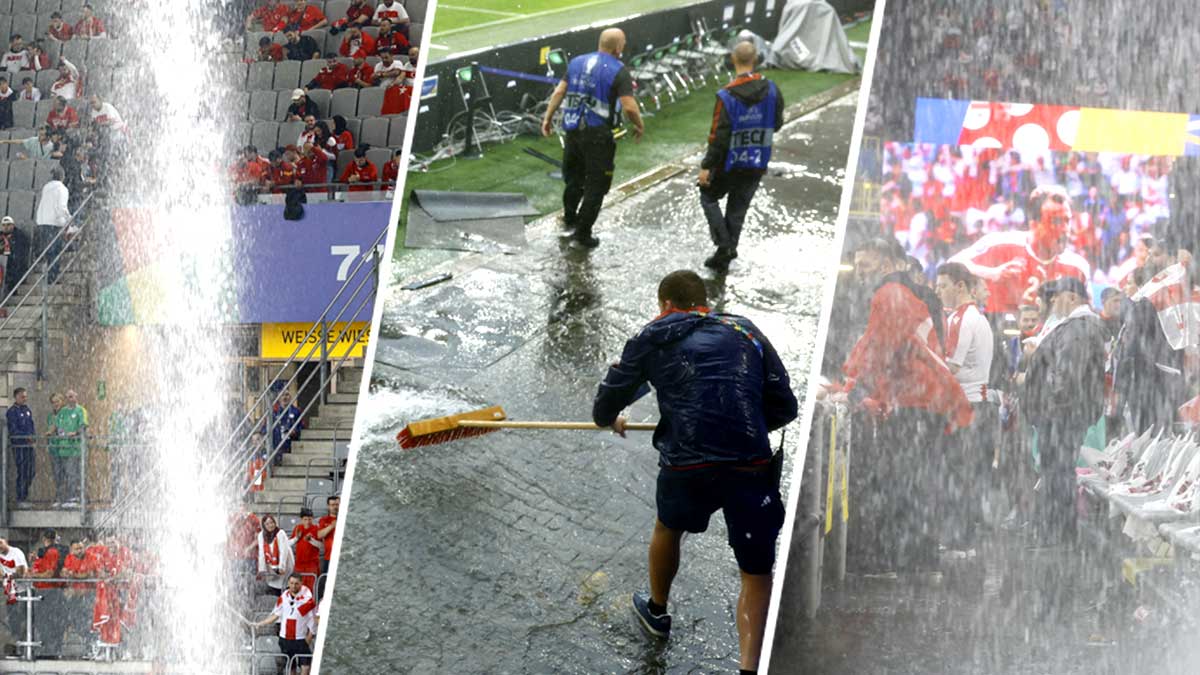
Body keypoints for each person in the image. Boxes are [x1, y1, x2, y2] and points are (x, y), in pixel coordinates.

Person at [592, 270, 797, 673]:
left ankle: (657, 611)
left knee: (668, 527)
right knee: (756, 573)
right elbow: (785, 405)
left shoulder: (651, 336)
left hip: (688, 463)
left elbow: (602, 410)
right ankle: (749, 666)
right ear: (704, 301)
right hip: (751, 464)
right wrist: (743, 426)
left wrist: (615, 415)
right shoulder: (746, 330)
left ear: (666, 305)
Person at [836, 237, 972, 572]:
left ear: (885, 263)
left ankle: (903, 556)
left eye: (865, 266)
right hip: (929, 399)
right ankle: (917, 555)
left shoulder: (889, 294)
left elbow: (877, 348)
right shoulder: (909, 293)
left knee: (900, 478)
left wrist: (852, 389)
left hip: (916, 400)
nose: (860, 273)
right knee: (918, 478)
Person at [1021, 276, 1106, 546]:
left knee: (1057, 473)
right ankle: (1056, 531)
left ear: (1072, 297)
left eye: (1056, 297)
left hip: (1061, 416)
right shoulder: (1075, 326)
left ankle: (1057, 533)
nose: (1053, 302)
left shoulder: (1078, 327)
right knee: (1057, 472)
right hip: (1063, 415)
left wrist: (1051, 407)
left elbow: (1067, 375)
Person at [541, 28, 644, 249]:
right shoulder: (619, 70)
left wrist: (548, 118)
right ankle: (582, 235)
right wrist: (638, 124)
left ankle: (569, 218)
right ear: (617, 48)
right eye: (623, 44)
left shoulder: (577, 62)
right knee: (596, 186)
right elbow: (629, 106)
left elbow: (559, 92)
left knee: (574, 179)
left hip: (573, 132)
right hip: (598, 137)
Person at [698, 41, 783, 271]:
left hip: (729, 163)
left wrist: (707, 166)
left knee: (707, 196)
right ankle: (724, 255)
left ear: (733, 59)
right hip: (756, 161)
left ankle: (724, 246)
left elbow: (719, 136)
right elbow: (776, 124)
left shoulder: (726, 95)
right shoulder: (772, 89)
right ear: (755, 59)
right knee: (738, 209)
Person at [933, 262, 996, 553]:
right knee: (970, 474)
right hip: (977, 405)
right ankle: (966, 538)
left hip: (966, 407)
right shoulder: (977, 317)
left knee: (959, 474)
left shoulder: (962, 319)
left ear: (960, 287)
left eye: (943, 285)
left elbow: (951, 367)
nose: (937, 290)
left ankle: (959, 540)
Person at [950, 186, 1091, 314]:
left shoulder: (1077, 268)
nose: (1065, 230)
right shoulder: (1001, 245)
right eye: (1056, 222)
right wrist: (992, 273)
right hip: (998, 333)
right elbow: (951, 265)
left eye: (1067, 221)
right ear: (1034, 224)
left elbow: (1088, 320)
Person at [254, 573, 315, 675]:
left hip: (300, 639)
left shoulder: (307, 600)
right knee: (291, 667)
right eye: (291, 583)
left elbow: (312, 619)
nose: (293, 586)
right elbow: (276, 615)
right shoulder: (284, 597)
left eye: (296, 583)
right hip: (285, 639)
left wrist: (309, 636)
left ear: (301, 583)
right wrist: (261, 623)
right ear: (288, 583)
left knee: (306, 667)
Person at [30, 530, 68, 658]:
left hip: (49, 592)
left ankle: (51, 651)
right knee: (44, 622)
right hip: (44, 591)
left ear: (44, 538)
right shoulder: (45, 553)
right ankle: (49, 649)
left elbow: (49, 574)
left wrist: (33, 575)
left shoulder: (52, 552)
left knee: (48, 622)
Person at [51, 390, 87, 507]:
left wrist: (75, 432)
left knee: (72, 473)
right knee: (62, 474)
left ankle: (73, 497)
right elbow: (56, 424)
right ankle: (62, 498)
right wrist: (50, 431)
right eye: (68, 397)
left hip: (74, 448)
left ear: (76, 397)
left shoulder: (80, 410)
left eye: (71, 397)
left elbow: (83, 426)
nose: (70, 399)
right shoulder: (63, 411)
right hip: (62, 448)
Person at [35, 167, 71, 284]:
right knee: (55, 251)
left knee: (49, 251)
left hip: (42, 221)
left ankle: (47, 277)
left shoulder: (46, 188)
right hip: (53, 223)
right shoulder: (62, 189)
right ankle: (52, 278)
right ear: (62, 177)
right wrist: (69, 220)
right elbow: (61, 207)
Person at [6, 388, 35, 508]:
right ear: (16, 397)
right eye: (23, 397)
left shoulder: (27, 410)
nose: (25, 399)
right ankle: (21, 497)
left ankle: (25, 495)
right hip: (19, 446)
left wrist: (33, 436)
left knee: (31, 471)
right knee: (22, 471)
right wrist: (24, 437)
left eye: (26, 396)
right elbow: (13, 430)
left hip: (29, 446)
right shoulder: (12, 412)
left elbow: (31, 425)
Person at [0, 538, 28, 649]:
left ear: (6, 542)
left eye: (0, 543)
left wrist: (7, 576)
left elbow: (21, 573)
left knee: (24, 619)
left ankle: (24, 645)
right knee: (13, 621)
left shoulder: (16, 552)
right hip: (10, 592)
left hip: (23, 591)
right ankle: (16, 645)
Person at [257, 515, 294, 596]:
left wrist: (282, 567)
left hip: (284, 565)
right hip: (271, 567)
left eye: (272, 522)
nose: (270, 525)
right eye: (267, 524)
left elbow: (283, 551)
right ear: (264, 525)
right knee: (273, 588)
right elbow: (261, 553)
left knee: (284, 588)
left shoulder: (281, 533)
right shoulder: (261, 535)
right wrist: (262, 569)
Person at [290, 508, 322, 593]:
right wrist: (297, 538)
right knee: (297, 588)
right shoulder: (298, 528)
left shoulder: (317, 528)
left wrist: (311, 540)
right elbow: (289, 544)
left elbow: (322, 546)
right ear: (301, 519)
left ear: (313, 518)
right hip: (299, 564)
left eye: (310, 519)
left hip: (312, 564)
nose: (307, 522)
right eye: (305, 519)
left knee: (310, 589)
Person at [0, 216, 30, 298]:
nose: (6, 227)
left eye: (8, 225)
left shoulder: (19, 236)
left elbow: (20, 253)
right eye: (4, 225)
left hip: (14, 263)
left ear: (13, 225)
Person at [316, 495, 338, 598]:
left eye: (337, 504)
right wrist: (332, 526)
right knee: (324, 585)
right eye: (332, 505)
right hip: (329, 557)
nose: (335, 507)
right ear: (328, 506)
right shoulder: (324, 520)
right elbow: (320, 535)